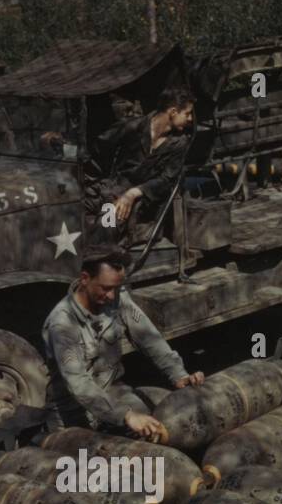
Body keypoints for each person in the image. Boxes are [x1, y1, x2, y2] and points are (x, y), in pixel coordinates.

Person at [41, 245, 204, 440]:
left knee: (171, 418)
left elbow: (149, 338)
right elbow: (79, 383)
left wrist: (178, 375)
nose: (112, 295)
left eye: (117, 288)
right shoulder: (62, 323)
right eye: (106, 288)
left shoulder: (117, 298)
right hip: (72, 415)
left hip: (113, 396)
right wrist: (127, 416)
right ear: (85, 279)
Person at [86, 86, 196, 235]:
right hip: (110, 188)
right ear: (173, 112)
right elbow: (99, 147)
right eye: (188, 114)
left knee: (105, 226)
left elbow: (167, 179)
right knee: (66, 210)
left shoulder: (179, 143)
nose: (190, 119)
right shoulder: (132, 126)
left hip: (140, 199)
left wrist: (133, 193)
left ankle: (101, 255)